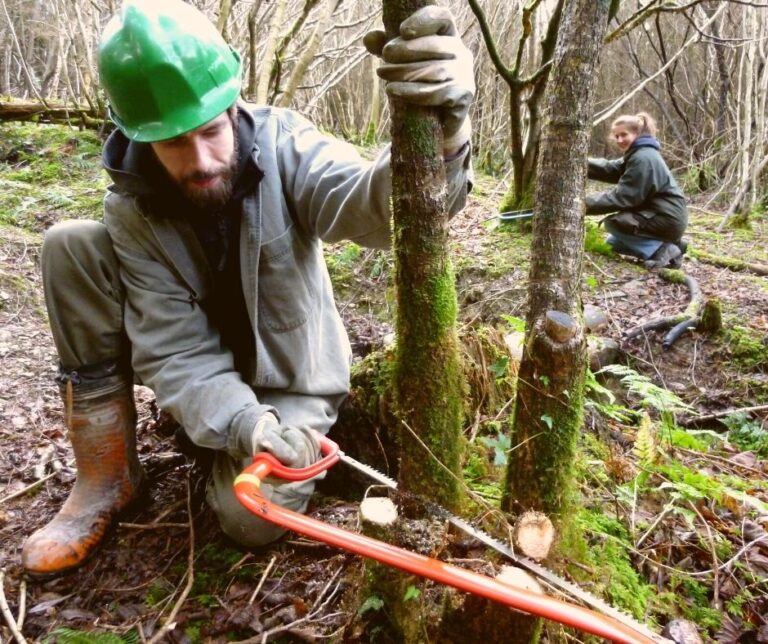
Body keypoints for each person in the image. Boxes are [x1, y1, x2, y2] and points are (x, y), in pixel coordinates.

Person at [21, 0, 474, 578]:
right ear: (137, 137)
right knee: (71, 245)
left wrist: (446, 132)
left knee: (251, 522)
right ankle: (106, 477)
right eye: (174, 143)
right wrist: (244, 426)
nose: (202, 159)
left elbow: (374, 209)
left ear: (232, 103)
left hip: (289, 385)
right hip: (213, 386)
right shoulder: (131, 208)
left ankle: (210, 443)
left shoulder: (286, 145)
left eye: (211, 131)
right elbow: (172, 346)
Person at [585, 112, 688, 269]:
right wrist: (581, 163)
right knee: (612, 244)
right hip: (666, 219)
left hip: (666, 219)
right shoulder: (639, 153)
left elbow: (624, 197)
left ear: (637, 133)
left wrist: (584, 204)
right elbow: (612, 169)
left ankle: (664, 250)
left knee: (614, 224)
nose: (619, 140)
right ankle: (672, 246)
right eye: (616, 136)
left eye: (624, 135)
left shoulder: (643, 158)